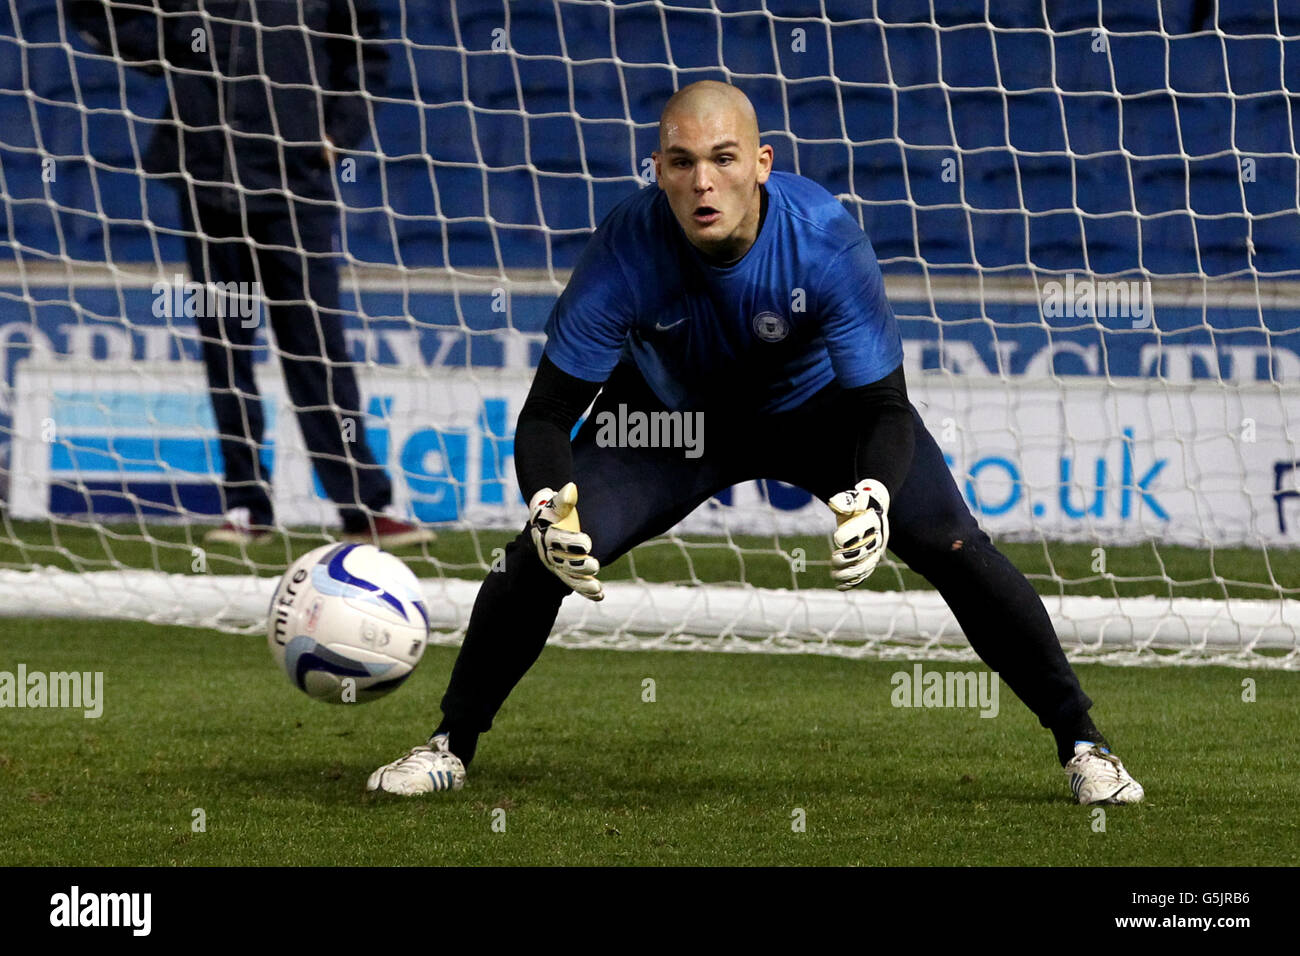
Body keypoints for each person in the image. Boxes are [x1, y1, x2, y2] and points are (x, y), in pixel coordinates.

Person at [367, 81, 1144, 805]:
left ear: (761, 165)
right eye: (681, 163)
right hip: (669, 428)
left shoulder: (825, 240)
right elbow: (546, 415)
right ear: (658, 171)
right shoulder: (624, 250)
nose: (703, 181)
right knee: (537, 556)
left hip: (819, 416)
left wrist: (873, 493)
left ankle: (1083, 742)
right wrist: (544, 506)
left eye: (722, 159)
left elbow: (883, 407)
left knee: (951, 543)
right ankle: (450, 745)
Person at [65, 0, 433, 548]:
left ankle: (363, 507)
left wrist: (337, 135)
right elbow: (107, 17)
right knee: (226, 351)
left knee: (316, 350)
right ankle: (245, 504)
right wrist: (167, 48)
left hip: (295, 182)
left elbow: (366, 52)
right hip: (208, 176)